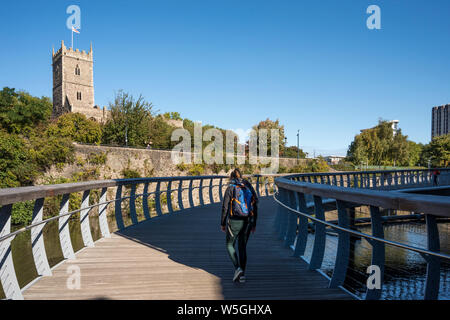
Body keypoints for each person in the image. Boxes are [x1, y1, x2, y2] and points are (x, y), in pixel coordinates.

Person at [221, 168, 258, 283]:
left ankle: (237, 268)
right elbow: (255, 204)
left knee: (229, 245)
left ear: (231, 177)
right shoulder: (248, 186)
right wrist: (254, 223)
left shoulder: (230, 188)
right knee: (242, 247)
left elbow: (225, 208)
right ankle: (242, 275)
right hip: (247, 221)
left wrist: (222, 223)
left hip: (234, 221)